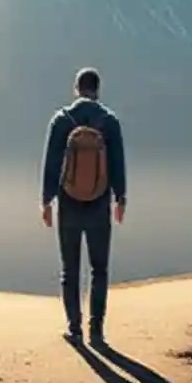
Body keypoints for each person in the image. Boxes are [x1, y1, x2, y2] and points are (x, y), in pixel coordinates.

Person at [40, 67, 127, 345]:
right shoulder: (109, 122)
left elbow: (51, 164)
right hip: (99, 204)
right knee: (99, 269)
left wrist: (46, 200)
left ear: (76, 88)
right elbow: (117, 163)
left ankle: (74, 328)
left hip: (69, 203)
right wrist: (120, 198)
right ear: (98, 90)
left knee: (70, 268)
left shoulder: (62, 121)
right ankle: (97, 330)